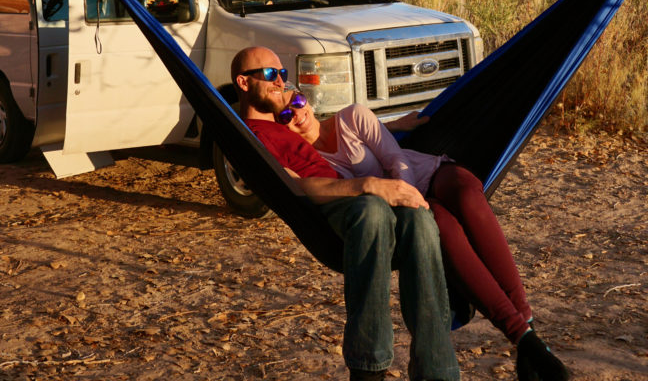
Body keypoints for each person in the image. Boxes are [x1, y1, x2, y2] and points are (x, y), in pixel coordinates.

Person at [279, 92, 569, 381]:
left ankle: (527, 328)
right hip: (412, 211)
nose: (296, 114)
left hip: (426, 175)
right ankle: (527, 340)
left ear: (308, 100)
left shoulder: (352, 116)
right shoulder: (312, 165)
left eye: (297, 101)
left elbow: (396, 158)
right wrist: (412, 206)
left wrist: (410, 196)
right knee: (443, 228)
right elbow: (296, 184)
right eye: (285, 115)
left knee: (468, 196)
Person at [232, 45, 460, 381]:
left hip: (353, 192)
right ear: (243, 82)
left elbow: (322, 127)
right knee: (372, 210)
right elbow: (294, 186)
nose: (280, 81)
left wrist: (392, 125)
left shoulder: (284, 118)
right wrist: (367, 185)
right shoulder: (251, 136)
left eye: (282, 73)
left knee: (419, 217)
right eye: (269, 74)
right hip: (333, 204)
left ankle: (437, 370)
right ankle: (368, 369)